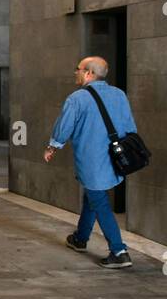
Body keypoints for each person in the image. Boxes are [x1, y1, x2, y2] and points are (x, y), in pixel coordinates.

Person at [44, 56, 137, 269]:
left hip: (92, 158)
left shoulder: (77, 98)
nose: (75, 72)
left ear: (88, 73)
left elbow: (64, 127)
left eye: (77, 69)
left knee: (99, 201)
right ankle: (80, 239)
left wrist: (52, 147)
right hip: (116, 157)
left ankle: (119, 251)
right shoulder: (119, 95)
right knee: (93, 195)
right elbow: (130, 126)